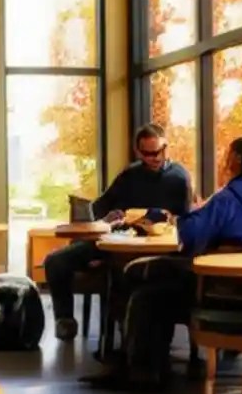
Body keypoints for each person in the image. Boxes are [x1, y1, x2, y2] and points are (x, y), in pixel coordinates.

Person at [84, 135, 242, 389]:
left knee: (143, 287)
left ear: (236, 162)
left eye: (226, 158)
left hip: (225, 292)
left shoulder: (229, 199)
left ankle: (140, 369)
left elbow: (191, 237)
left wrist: (195, 214)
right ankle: (141, 364)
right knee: (153, 284)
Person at [44, 123, 192, 341]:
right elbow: (98, 208)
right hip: (116, 240)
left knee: (127, 274)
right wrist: (108, 217)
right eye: (148, 153)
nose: (155, 158)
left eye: (159, 151)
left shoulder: (179, 178)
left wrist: (168, 220)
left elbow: (187, 219)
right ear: (138, 152)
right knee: (55, 261)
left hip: (159, 249)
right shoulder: (129, 175)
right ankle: (65, 320)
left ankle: (130, 332)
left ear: (166, 147)